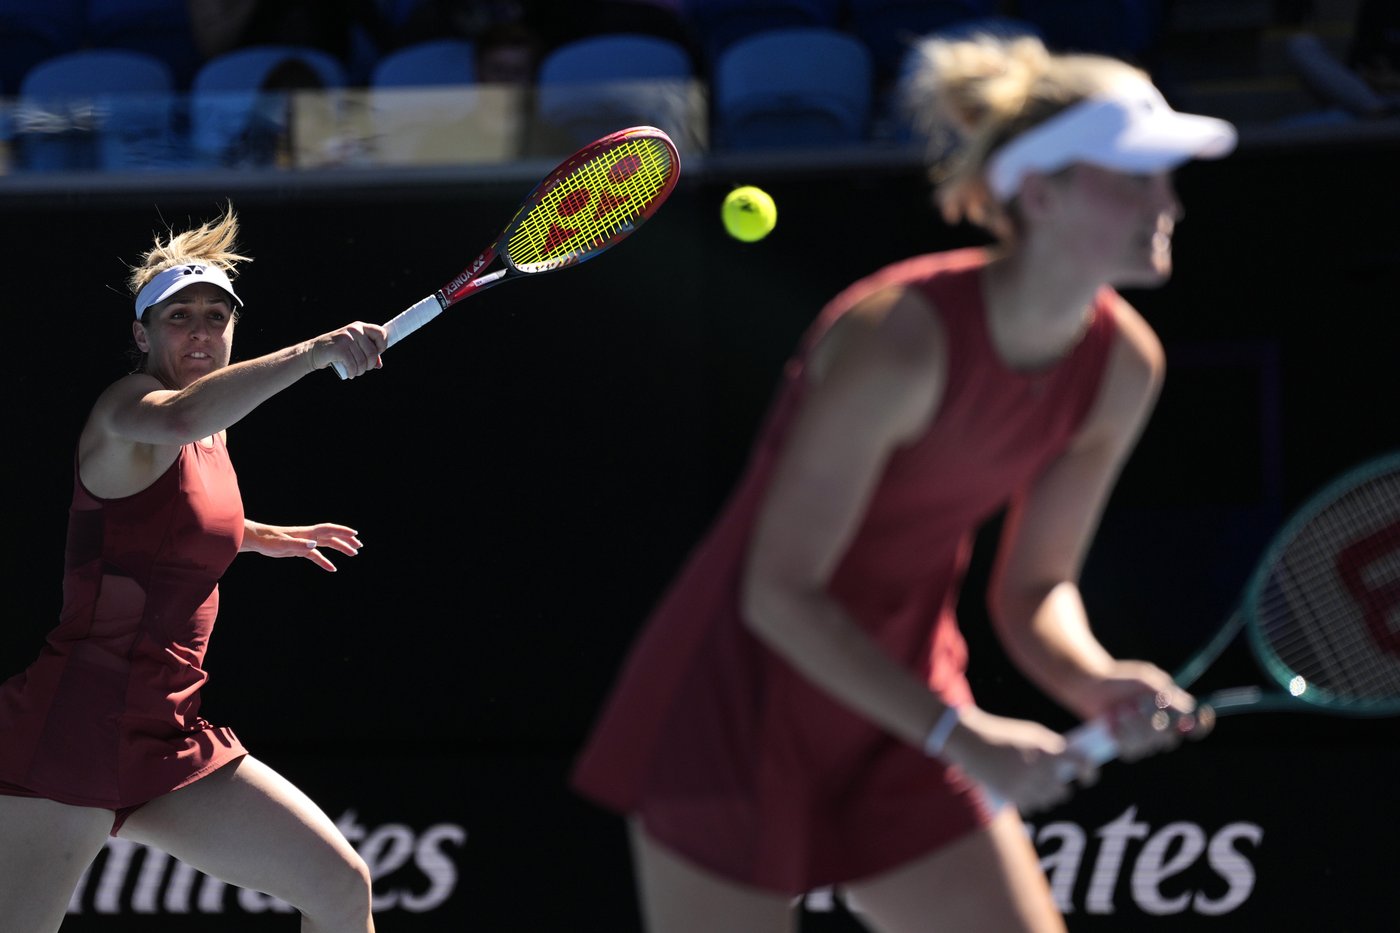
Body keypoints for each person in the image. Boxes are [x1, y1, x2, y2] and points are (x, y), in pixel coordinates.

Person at [571, 31, 1237, 932]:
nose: (1168, 203)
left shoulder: (1123, 366)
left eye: (1164, 177)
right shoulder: (899, 340)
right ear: (1040, 194)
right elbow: (778, 594)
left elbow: (1036, 587)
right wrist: (960, 736)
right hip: (733, 706)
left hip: (902, 705)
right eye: (1134, 178)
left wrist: (1092, 678)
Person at [0, 204, 388, 932]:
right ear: (142, 335)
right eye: (180, 318)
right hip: (71, 732)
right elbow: (178, 419)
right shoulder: (127, 408)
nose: (202, 332)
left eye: (217, 316)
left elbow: (155, 525)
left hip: (166, 731)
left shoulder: (215, 434)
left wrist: (255, 535)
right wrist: (317, 351)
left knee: (341, 889)